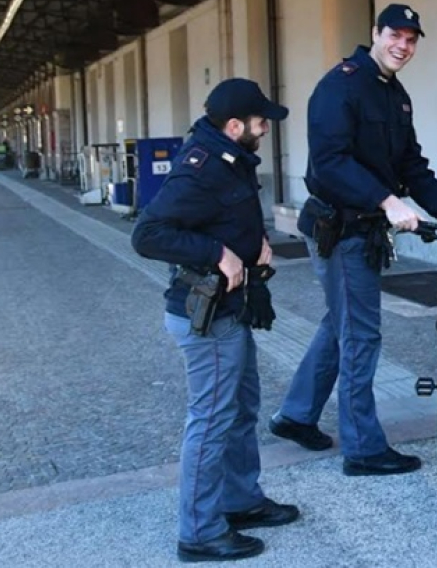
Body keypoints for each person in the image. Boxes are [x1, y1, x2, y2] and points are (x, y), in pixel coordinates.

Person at [269, 3, 437, 476]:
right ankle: (362, 449)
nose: (403, 46)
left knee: (341, 324)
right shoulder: (340, 86)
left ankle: (296, 416)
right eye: (395, 36)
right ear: (375, 33)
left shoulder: (395, 96)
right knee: (361, 333)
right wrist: (387, 201)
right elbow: (330, 162)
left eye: (412, 39)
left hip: (364, 227)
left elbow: (412, 166)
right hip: (338, 229)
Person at [131, 78, 298, 562]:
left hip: (232, 310)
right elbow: (148, 234)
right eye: (260, 122)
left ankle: (239, 501)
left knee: (242, 408)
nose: (265, 129)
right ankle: (200, 532)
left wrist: (255, 247)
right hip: (206, 317)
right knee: (210, 421)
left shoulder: (231, 159)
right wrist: (218, 253)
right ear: (234, 126)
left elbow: (227, 218)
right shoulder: (201, 168)